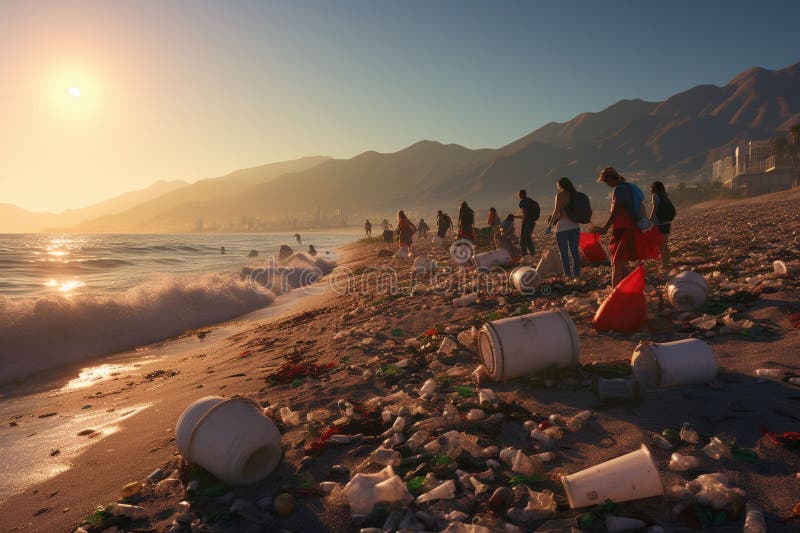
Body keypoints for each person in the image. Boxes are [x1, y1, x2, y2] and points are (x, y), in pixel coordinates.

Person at [595, 166, 637, 287]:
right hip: (627, 227)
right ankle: (631, 285)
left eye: (606, 182)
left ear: (611, 179)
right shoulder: (627, 187)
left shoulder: (619, 189)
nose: (607, 185)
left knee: (616, 262)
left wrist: (605, 227)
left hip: (622, 229)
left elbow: (616, 211)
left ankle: (615, 292)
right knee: (621, 262)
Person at [547, 177, 581, 279]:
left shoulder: (560, 195)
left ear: (560, 185)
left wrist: (550, 225)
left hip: (562, 227)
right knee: (574, 251)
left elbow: (556, 211)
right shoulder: (575, 195)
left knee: (564, 252)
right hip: (575, 226)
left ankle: (567, 274)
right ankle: (576, 274)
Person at [649, 181, 673, 270]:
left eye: (651, 187)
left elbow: (654, 209)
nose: (650, 189)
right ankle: (667, 262)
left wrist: (649, 220)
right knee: (665, 244)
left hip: (659, 224)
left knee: (661, 245)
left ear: (655, 188)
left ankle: (664, 265)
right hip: (667, 223)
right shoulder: (665, 195)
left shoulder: (655, 196)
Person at [516, 189, 540, 257]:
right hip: (532, 222)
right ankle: (532, 252)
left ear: (520, 195)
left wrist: (521, 218)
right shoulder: (531, 201)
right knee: (528, 238)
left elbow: (524, 214)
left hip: (526, 222)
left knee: (523, 239)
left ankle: (524, 253)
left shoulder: (522, 202)